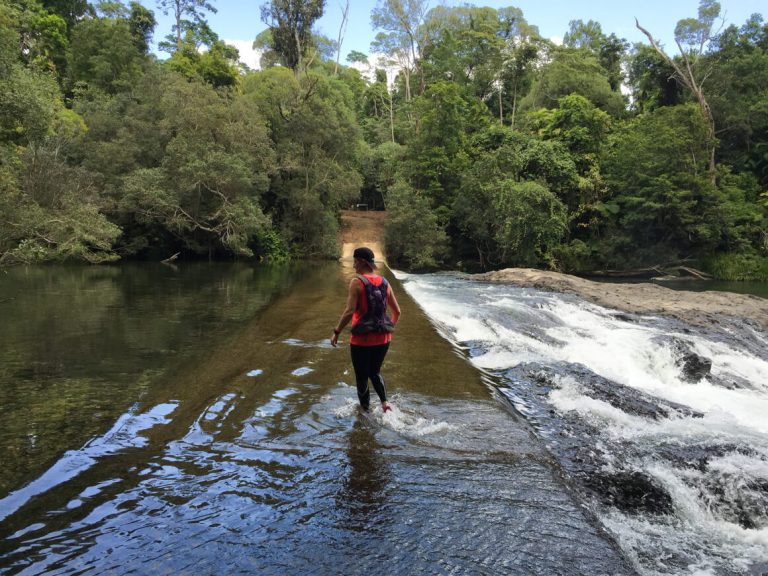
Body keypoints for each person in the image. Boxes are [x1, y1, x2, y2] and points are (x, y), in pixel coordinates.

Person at [331, 247, 401, 413]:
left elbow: (349, 311)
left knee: (362, 376)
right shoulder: (385, 282)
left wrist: (336, 332)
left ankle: (365, 411)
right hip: (384, 338)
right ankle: (385, 404)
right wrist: (387, 330)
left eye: (355, 261)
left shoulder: (357, 282)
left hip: (361, 340)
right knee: (375, 372)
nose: (353, 265)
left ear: (362, 261)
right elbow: (397, 312)